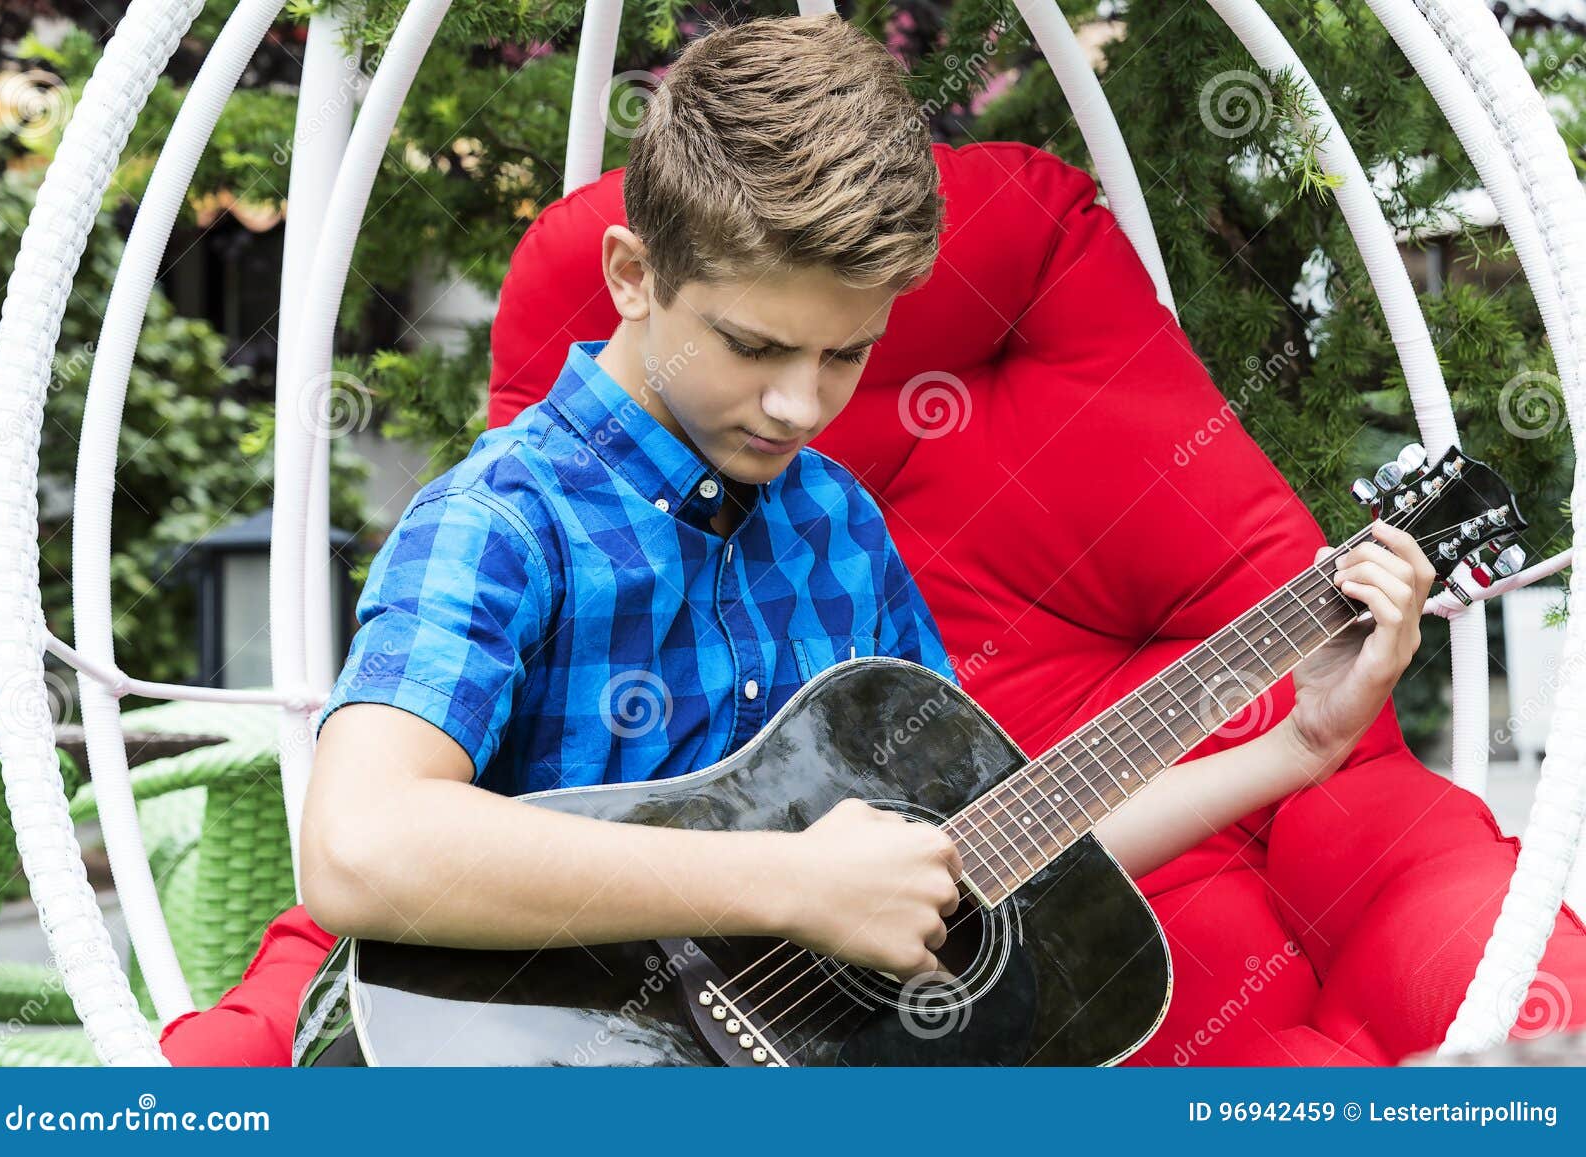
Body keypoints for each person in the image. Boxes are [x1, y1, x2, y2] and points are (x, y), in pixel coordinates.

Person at [158, 13, 1434, 1065]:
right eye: (755, 345)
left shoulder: (834, 521)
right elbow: (361, 847)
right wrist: (788, 882)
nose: (800, 404)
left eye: (849, 353)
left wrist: (1297, 743)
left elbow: (980, 855)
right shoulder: (499, 522)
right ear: (631, 273)